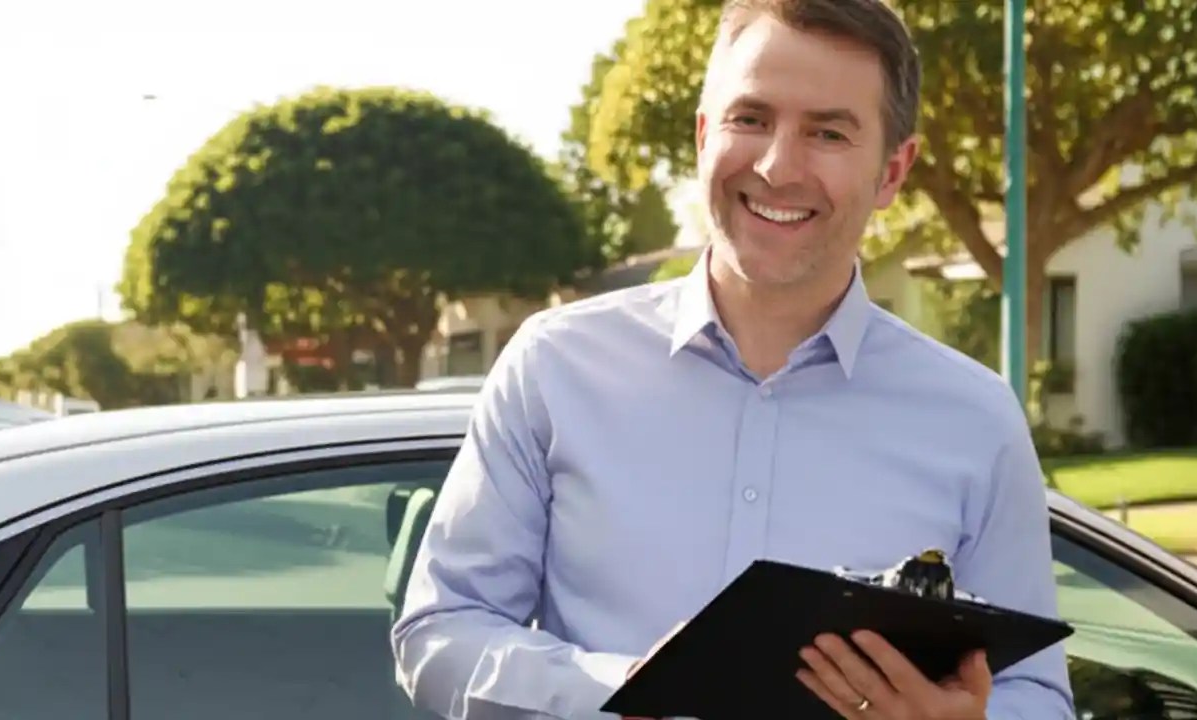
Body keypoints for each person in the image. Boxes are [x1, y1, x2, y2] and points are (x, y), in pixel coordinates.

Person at [391, 0, 1075, 717]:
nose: (779, 166)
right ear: (701, 134)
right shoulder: (552, 368)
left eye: (829, 132)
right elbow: (441, 630)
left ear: (892, 173)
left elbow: (1037, 694)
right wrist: (619, 690)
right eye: (750, 119)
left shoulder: (974, 419)